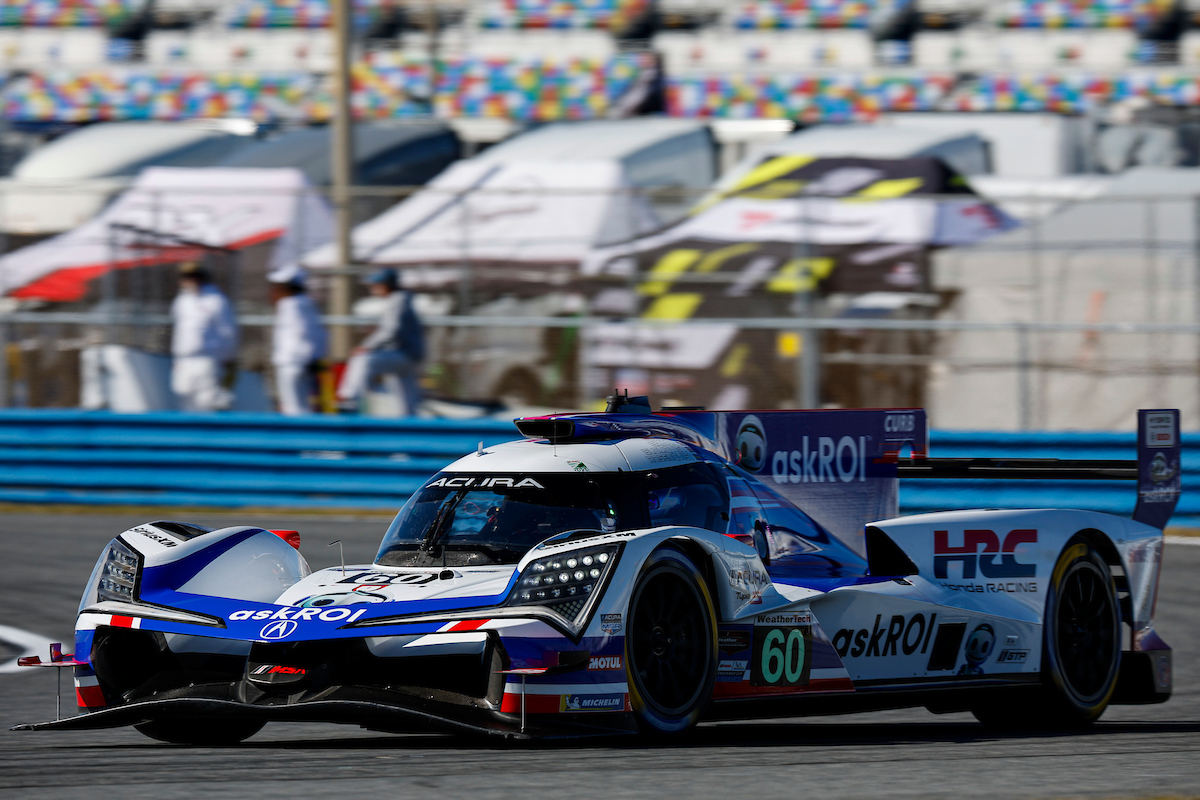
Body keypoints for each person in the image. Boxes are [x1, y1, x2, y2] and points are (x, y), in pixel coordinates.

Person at [336, 268, 425, 415]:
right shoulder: (400, 298)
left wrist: (366, 346)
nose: (373, 288)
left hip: (403, 354)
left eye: (376, 284)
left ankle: (349, 400)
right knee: (408, 406)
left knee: (362, 359)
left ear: (386, 285)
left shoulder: (398, 299)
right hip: (409, 355)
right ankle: (412, 431)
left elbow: (390, 331)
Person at [170, 262, 238, 412]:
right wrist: (176, 358)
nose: (188, 282)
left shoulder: (216, 300)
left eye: (192, 278)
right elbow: (179, 331)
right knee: (184, 402)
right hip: (184, 360)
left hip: (207, 360)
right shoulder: (181, 301)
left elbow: (227, 332)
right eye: (185, 278)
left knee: (207, 403)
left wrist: (227, 358)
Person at [269, 264, 328, 416]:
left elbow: (302, 332)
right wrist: (314, 357)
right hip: (303, 362)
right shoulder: (308, 304)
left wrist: (305, 357)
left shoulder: (289, 305)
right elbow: (319, 334)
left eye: (279, 286)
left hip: (292, 362)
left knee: (294, 408)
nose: (275, 291)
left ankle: (297, 438)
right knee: (302, 405)